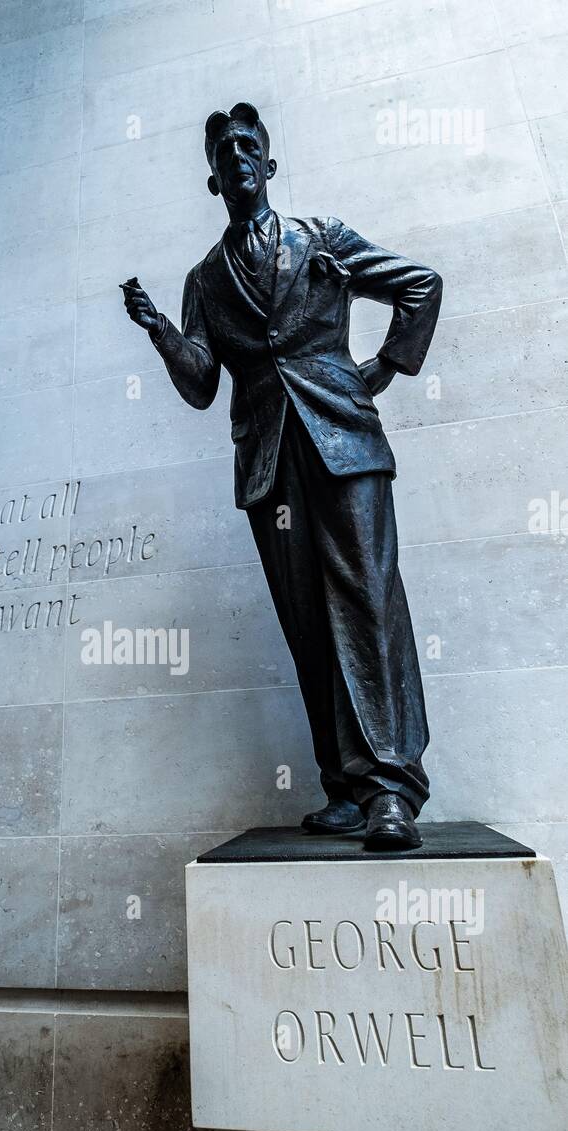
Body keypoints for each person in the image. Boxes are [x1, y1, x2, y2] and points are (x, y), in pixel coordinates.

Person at [121, 102, 443, 849]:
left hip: (343, 443)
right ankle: (344, 787)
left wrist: (383, 369)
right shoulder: (203, 278)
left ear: (267, 165)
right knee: (306, 622)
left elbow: (420, 284)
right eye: (224, 147)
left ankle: (391, 788)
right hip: (269, 464)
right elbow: (202, 384)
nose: (236, 153)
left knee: (366, 600)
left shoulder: (320, 239)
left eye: (248, 143)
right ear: (213, 179)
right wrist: (160, 331)